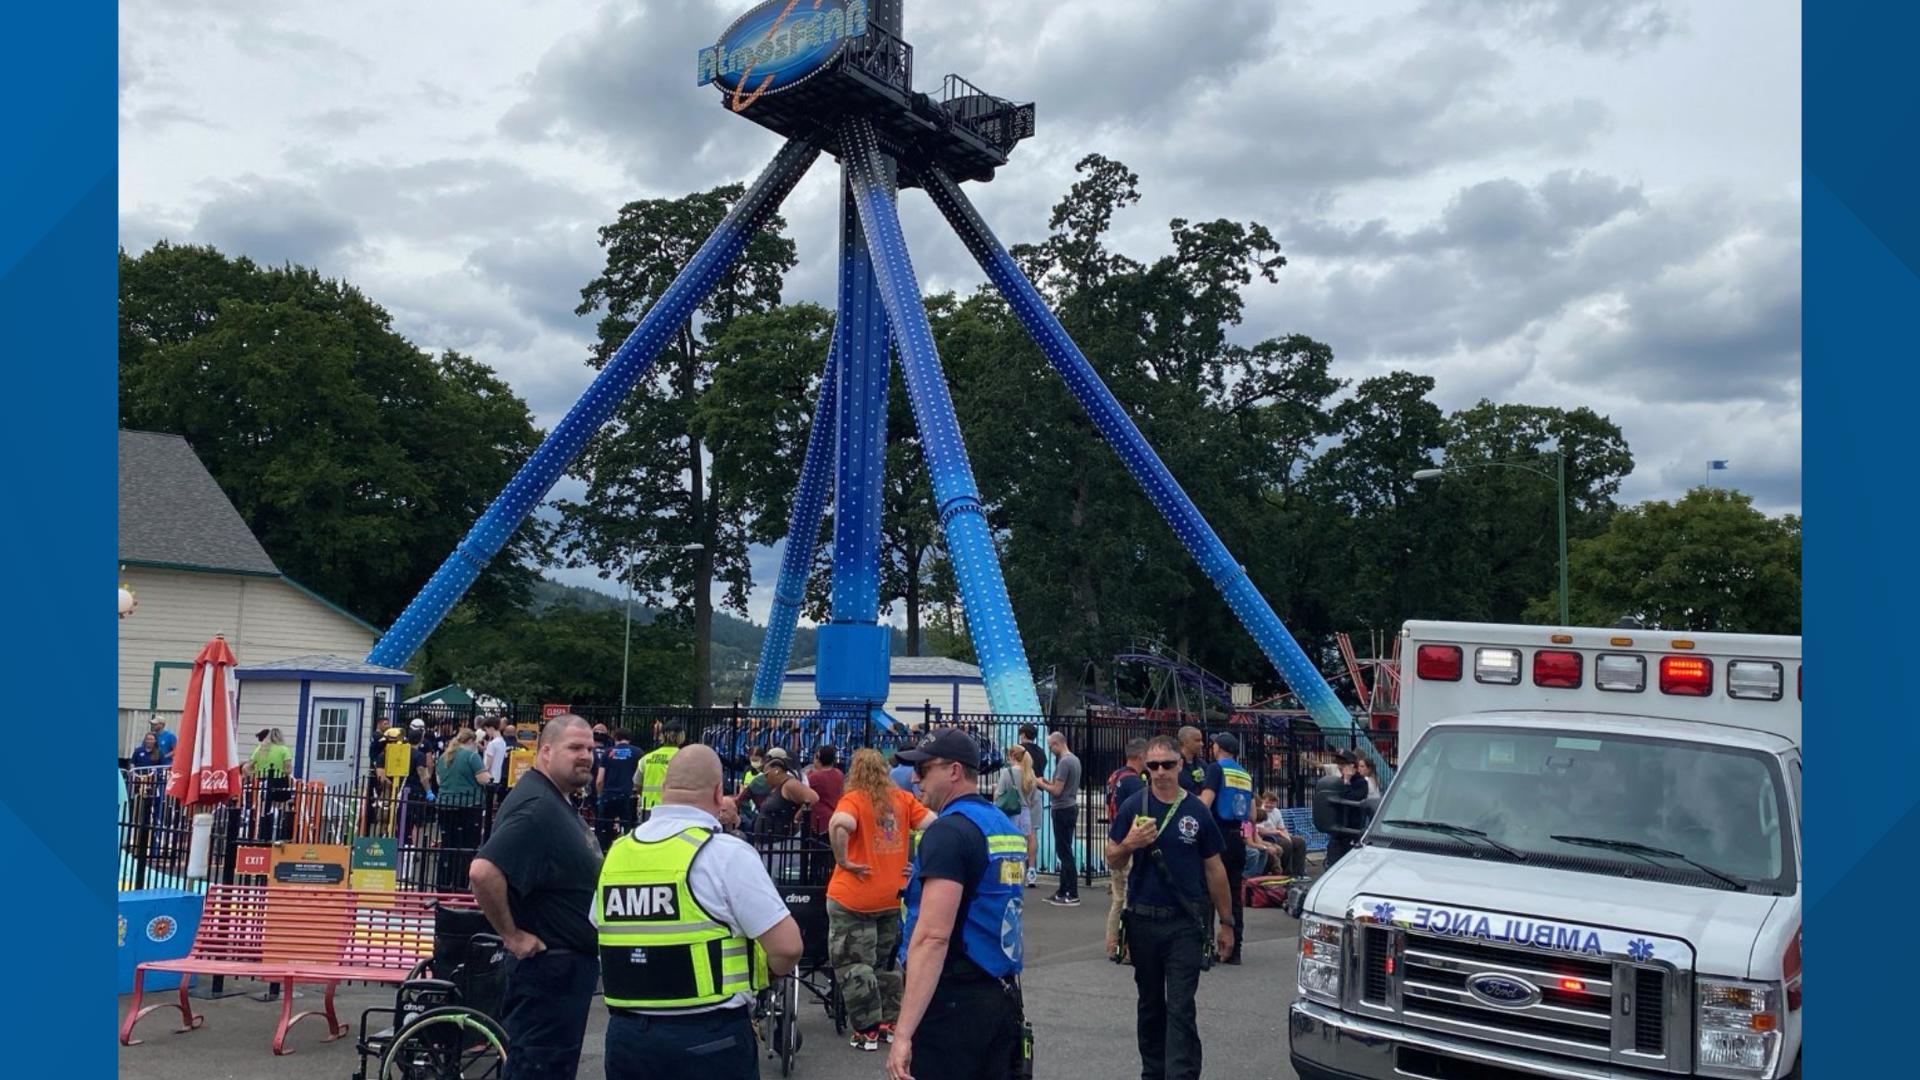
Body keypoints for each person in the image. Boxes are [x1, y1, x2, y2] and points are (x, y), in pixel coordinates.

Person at [596, 744, 803, 1080]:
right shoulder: (724, 853)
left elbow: (602, 929)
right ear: (719, 792)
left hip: (628, 1036)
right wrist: (766, 977)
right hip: (708, 1037)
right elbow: (787, 947)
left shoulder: (617, 855)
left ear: (664, 788)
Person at [469, 715, 603, 1080]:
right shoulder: (538, 808)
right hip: (548, 976)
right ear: (545, 751)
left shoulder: (554, 801)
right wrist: (512, 936)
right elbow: (483, 871)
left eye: (590, 748)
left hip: (563, 976)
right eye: (575, 747)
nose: (586, 756)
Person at [888, 729, 1026, 1080]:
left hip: (953, 999)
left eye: (924, 769)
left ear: (954, 771)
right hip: (1001, 991)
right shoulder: (1001, 826)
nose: (915, 778)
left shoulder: (949, 832)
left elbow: (933, 937)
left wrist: (902, 1033)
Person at [1106, 736, 1235, 1080]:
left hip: (1184, 923)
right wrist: (1131, 843)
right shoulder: (1135, 805)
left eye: (1167, 764)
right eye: (1153, 766)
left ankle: (1181, 1075)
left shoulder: (1196, 810)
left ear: (1181, 765)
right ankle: (1153, 1072)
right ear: (1146, 768)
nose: (1160, 772)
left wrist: (1227, 922)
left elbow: (1215, 869)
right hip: (1144, 920)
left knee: (1180, 1007)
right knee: (1150, 1006)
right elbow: (1112, 858)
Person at [829, 748, 936, 1051]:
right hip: (891, 895)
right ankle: (890, 1022)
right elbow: (936, 823)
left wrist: (844, 859)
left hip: (853, 896)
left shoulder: (854, 799)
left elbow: (839, 825)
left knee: (854, 963)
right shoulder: (902, 800)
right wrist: (919, 863)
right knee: (886, 963)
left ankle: (867, 1029)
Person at [1198, 732, 1254, 964]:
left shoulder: (1216, 769)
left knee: (1208, 893)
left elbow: (1206, 803)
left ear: (1218, 747)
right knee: (1233, 894)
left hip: (1216, 836)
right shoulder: (1244, 774)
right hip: (1237, 838)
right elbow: (1251, 815)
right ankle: (1235, 950)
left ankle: (1206, 948)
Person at [1105, 738, 1149, 956]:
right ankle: (1128, 946)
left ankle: (1113, 944)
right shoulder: (1135, 783)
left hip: (1114, 838)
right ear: (1142, 756)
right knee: (1130, 897)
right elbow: (1140, 813)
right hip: (1129, 843)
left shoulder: (1115, 776)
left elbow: (1107, 806)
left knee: (1118, 897)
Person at [436, 728, 490, 889]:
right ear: (471, 742)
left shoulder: (444, 757)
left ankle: (443, 883)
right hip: (468, 805)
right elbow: (483, 779)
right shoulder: (472, 757)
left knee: (448, 845)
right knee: (467, 847)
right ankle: (460, 885)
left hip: (445, 804)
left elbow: (439, 781)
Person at [1034, 730, 1082, 906]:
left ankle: (1072, 891)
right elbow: (1061, 786)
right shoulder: (1075, 760)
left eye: (1050, 746)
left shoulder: (1064, 762)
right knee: (1064, 850)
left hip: (1062, 808)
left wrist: (1040, 784)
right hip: (1070, 806)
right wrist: (1048, 782)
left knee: (1064, 852)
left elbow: (1057, 791)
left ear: (1057, 744)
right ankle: (1063, 891)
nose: (1050, 749)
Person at [996, 745, 1040, 890]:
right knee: (1023, 844)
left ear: (1012, 756)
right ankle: (1030, 873)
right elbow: (1033, 798)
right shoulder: (1030, 773)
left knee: (1010, 845)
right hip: (1026, 812)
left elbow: (999, 794)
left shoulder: (1006, 772)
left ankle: (1011, 876)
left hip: (1011, 812)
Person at [752, 748, 818, 840]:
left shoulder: (789, 784)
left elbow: (813, 798)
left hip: (780, 842)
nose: (765, 778)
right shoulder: (777, 787)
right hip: (769, 842)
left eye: (766, 774)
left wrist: (796, 818)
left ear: (776, 771)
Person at [594, 729, 640, 850]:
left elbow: (599, 780)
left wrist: (600, 796)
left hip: (608, 795)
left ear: (615, 738)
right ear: (629, 739)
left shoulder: (607, 753)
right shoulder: (637, 753)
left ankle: (605, 852)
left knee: (605, 829)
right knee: (628, 828)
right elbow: (639, 778)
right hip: (628, 795)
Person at [245, 728, 295, 841]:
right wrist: (283, 769)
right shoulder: (284, 750)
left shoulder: (260, 749)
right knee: (280, 808)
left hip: (261, 782)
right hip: (279, 781)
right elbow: (288, 769)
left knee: (261, 808)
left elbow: (246, 767)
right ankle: (277, 832)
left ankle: (260, 833)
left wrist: (254, 774)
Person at [1324, 751, 1369, 866]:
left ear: (1352, 765)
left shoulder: (1361, 783)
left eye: (1343, 764)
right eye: (1339, 764)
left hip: (1352, 830)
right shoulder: (1338, 781)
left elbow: (1351, 800)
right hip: (1338, 831)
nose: (1340, 767)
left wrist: (1347, 782)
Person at [636, 720, 685, 817]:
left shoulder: (647, 758)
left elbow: (637, 784)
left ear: (662, 736)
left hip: (648, 807)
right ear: (681, 736)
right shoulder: (683, 757)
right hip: (671, 808)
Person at [1253, 791, 1307, 877]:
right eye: (1267, 803)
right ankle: (1286, 873)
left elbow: (1282, 828)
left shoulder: (1277, 812)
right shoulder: (1260, 811)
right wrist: (1277, 832)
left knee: (1300, 841)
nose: (1269, 805)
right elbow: (1260, 830)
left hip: (1276, 835)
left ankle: (1298, 873)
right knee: (1286, 844)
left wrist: (1287, 837)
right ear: (1263, 801)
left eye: (1272, 803)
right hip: (1265, 837)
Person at [808, 744, 845, 835]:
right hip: (835, 816)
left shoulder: (814, 777)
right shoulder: (839, 774)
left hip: (819, 821)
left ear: (817, 758)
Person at [482, 717, 510, 812]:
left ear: (491, 728)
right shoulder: (502, 742)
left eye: (486, 729)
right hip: (497, 776)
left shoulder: (492, 744)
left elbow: (487, 764)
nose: (487, 732)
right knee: (491, 803)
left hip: (488, 777)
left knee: (486, 803)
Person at [1176, 726, 1207, 797]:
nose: (1201, 744)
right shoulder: (1173, 764)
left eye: (1201, 740)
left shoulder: (1202, 764)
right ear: (1185, 742)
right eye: (1197, 740)